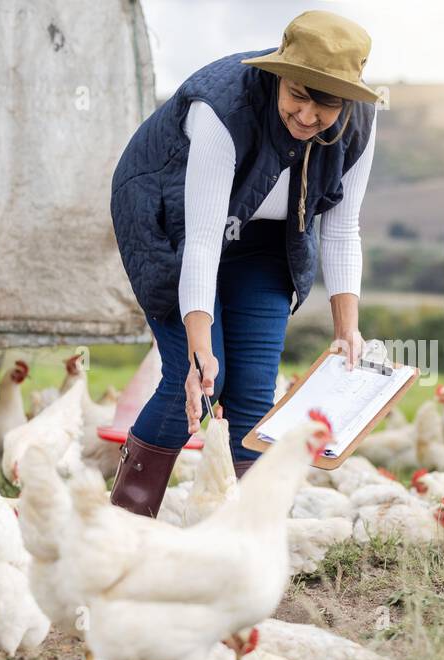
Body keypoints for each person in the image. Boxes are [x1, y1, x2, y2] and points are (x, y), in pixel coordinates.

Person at [108, 10, 380, 516]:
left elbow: (342, 227)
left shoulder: (360, 122)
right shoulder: (221, 109)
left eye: (325, 106)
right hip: (168, 222)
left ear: (348, 101)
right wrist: (199, 348)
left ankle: (247, 537)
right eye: (298, 95)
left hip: (267, 238)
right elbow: (203, 238)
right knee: (194, 379)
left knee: (255, 390)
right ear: (280, 75)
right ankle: (125, 519)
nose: (306, 116)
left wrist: (347, 331)